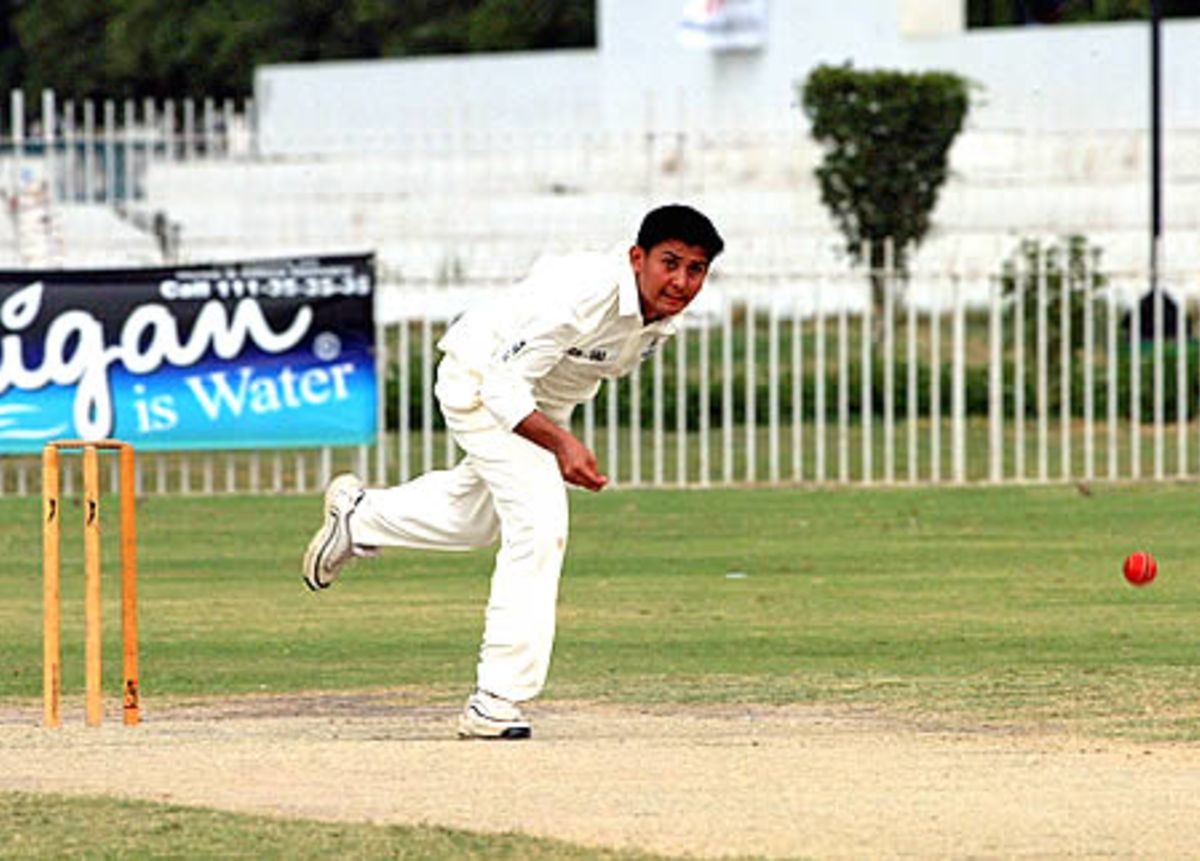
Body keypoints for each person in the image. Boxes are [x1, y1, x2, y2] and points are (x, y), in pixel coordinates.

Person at [302, 204, 724, 740]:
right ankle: (495, 699)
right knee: (540, 527)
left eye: (696, 269)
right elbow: (502, 385)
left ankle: (361, 518)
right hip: (481, 382)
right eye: (670, 263)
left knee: (474, 519)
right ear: (637, 257)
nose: (681, 281)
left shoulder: (661, 316)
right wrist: (562, 445)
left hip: (539, 401)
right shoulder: (585, 294)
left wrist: (556, 429)